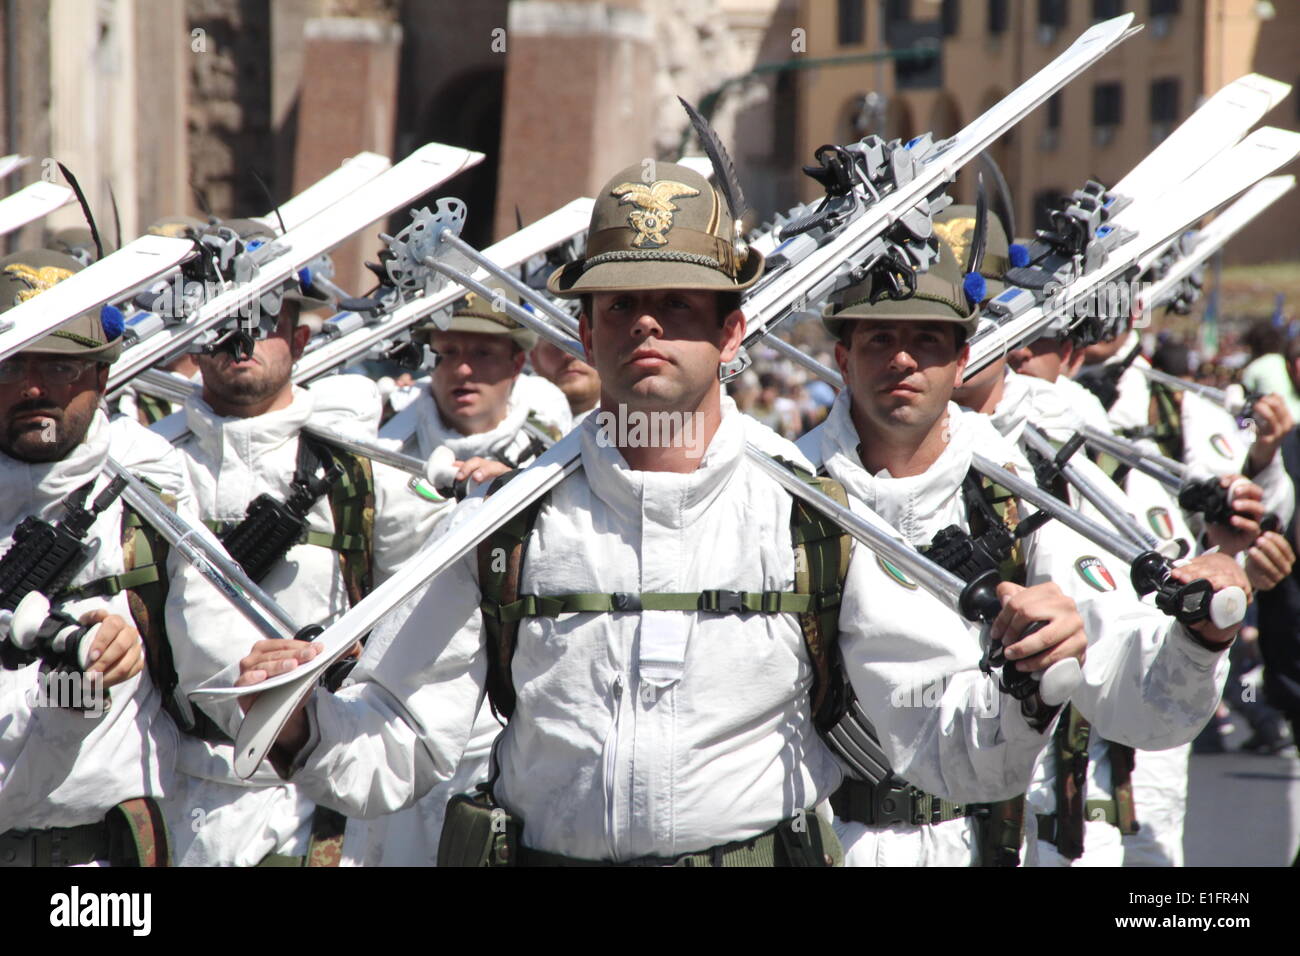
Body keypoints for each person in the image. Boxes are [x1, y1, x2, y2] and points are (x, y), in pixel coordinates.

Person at [235, 161, 1088, 867]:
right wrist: (306, 726)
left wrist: (1024, 679)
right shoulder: (506, 523)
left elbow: (948, 744)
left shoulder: (817, 515)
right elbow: (403, 743)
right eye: (620, 303)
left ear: (731, 331)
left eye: (678, 304)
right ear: (584, 329)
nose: (646, 321)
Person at [798, 233, 1243, 868]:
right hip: (829, 844)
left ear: (962, 360)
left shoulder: (1012, 484)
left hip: (986, 842)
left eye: (926, 341)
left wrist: (1198, 641)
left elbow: (1124, 679)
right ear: (842, 358)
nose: (901, 359)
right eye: (878, 339)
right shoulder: (789, 487)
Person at [165, 229, 447, 866]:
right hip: (173, 787)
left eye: (263, 322)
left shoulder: (367, 472)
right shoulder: (146, 468)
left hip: (321, 788)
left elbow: (427, 618)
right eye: (224, 324)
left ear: (299, 337)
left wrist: (355, 650)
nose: (242, 342)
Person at [0, 249, 227, 866]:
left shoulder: (152, 488)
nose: (35, 387)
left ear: (102, 379)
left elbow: (217, 672)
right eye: (13, 366)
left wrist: (259, 669)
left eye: (62, 367)